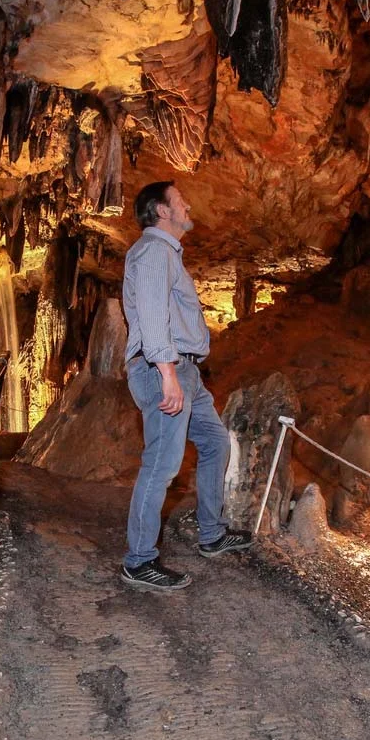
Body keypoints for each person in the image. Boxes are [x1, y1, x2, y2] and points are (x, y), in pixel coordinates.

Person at [121, 181, 252, 592]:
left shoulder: (167, 255)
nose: (188, 204)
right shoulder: (155, 251)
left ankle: (212, 534)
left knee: (215, 443)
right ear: (162, 211)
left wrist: (181, 373)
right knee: (161, 464)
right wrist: (168, 374)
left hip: (186, 371)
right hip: (165, 368)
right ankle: (139, 561)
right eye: (180, 201)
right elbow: (154, 315)